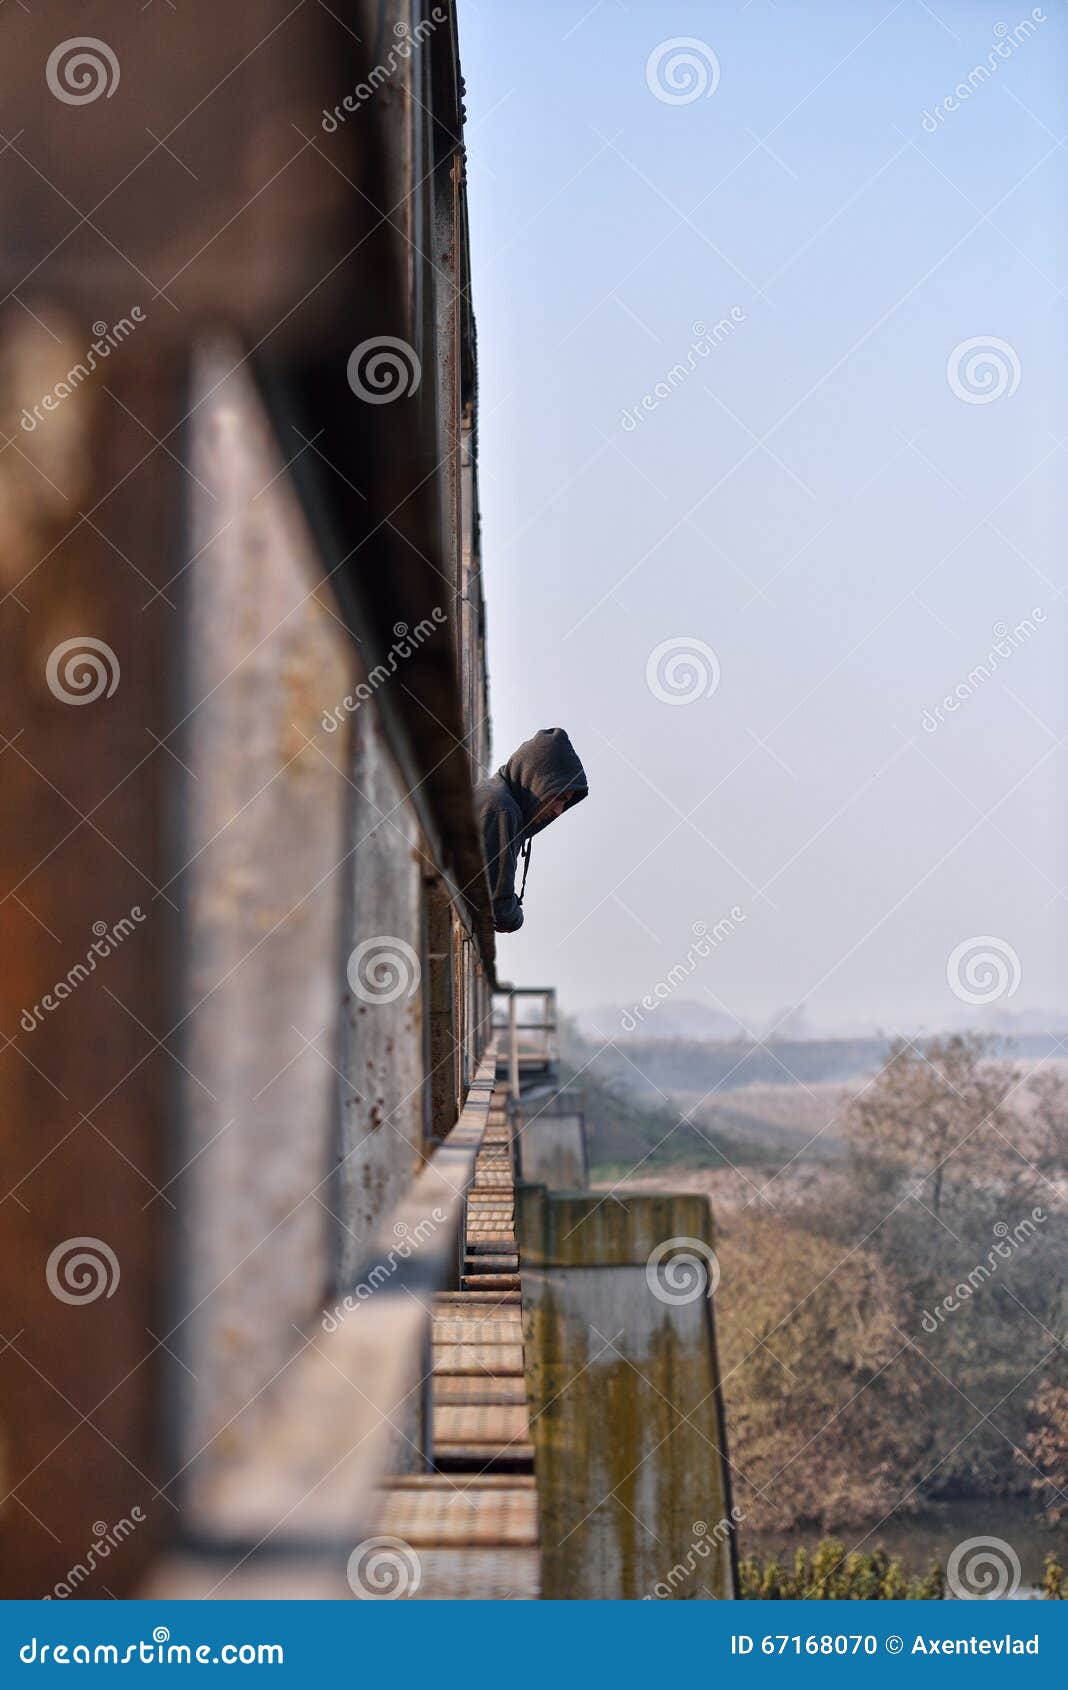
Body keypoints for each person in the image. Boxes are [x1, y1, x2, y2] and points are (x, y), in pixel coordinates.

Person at [475, 728, 588, 933]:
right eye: (558, 797)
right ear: (536, 780)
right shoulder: (502, 809)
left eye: (565, 803)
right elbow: (500, 910)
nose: (559, 811)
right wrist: (517, 916)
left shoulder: (499, 799)